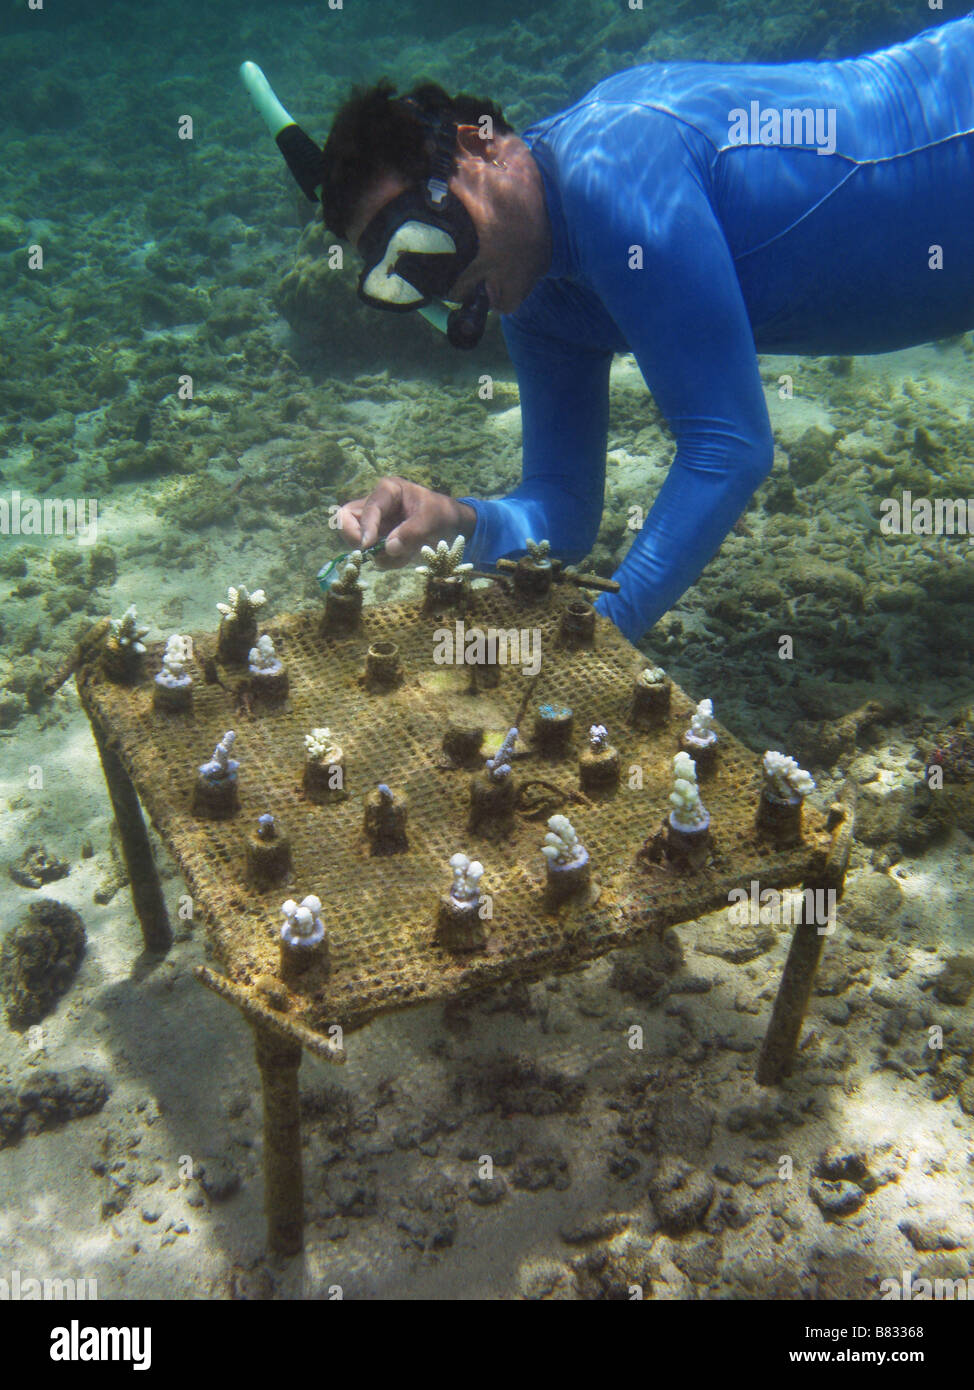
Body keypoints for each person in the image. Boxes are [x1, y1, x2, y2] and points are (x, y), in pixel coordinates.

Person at [316, 13, 974, 642]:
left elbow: (729, 449)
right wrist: (459, 523)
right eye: (403, 279)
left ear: (479, 146)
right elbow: (562, 513)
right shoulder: (535, 296)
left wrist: (599, 636)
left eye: (425, 241)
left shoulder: (616, 174)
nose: (443, 284)